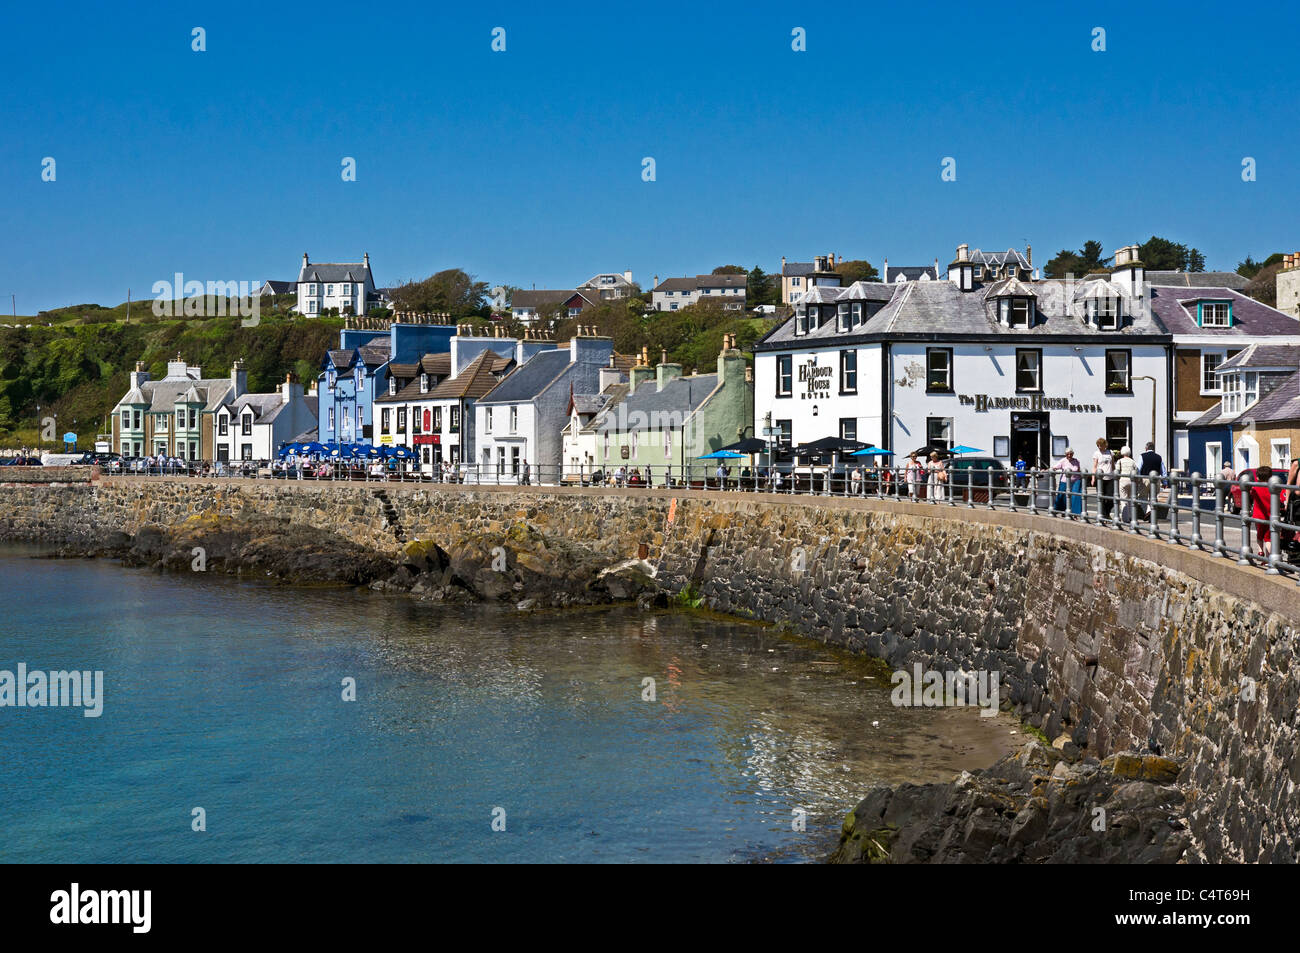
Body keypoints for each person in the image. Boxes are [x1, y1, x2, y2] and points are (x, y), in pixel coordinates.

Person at [1091, 438, 1117, 523]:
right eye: (1098, 446)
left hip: (1110, 478)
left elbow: (1113, 465)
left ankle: (1106, 513)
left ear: (1105, 445)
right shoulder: (1096, 453)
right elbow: (1094, 466)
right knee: (1101, 498)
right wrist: (1093, 478)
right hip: (1100, 479)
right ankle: (1105, 515)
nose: (1099, 447)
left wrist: (1115, 475)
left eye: (1100, 445)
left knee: (1110, 498)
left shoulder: (1110, 453)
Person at [1052, 448, 1083, 517]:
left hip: (1075, 480)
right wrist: (1045, 470)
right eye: (1067, 454)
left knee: (1076, 496)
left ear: (1073, 454)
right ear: (1065, 454)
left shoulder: (1076, 461)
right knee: (1062, 495)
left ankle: (1075, 513)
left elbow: (1078, 470)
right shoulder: (1063, 461)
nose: (1069, 455)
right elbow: (1054, 467)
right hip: (1064, 481)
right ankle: (1061, 511)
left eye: (1071, 454)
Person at [1138, 442, 1164, 519]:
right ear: (1153, 449)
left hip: (1145, 479)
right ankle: (1153, 513)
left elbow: (1138, 468)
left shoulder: (1142, 456)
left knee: (1143, 496)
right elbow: (1163, 470)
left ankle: (1148, 511)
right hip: (1156, 479)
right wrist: (1164, 482)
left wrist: (1138, 479)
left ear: (1146, 448)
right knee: (1154, 497)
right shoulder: (1159, 457)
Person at [1116, 446, 1139, 524]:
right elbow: (1136, 470)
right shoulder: (1132, 461)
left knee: (1123, 500)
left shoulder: (1120, 461)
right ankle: (1131, 517)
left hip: (1123, 481)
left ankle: (1125, 518)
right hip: (1131, 481)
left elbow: (1117, 471)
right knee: (1131, 500)